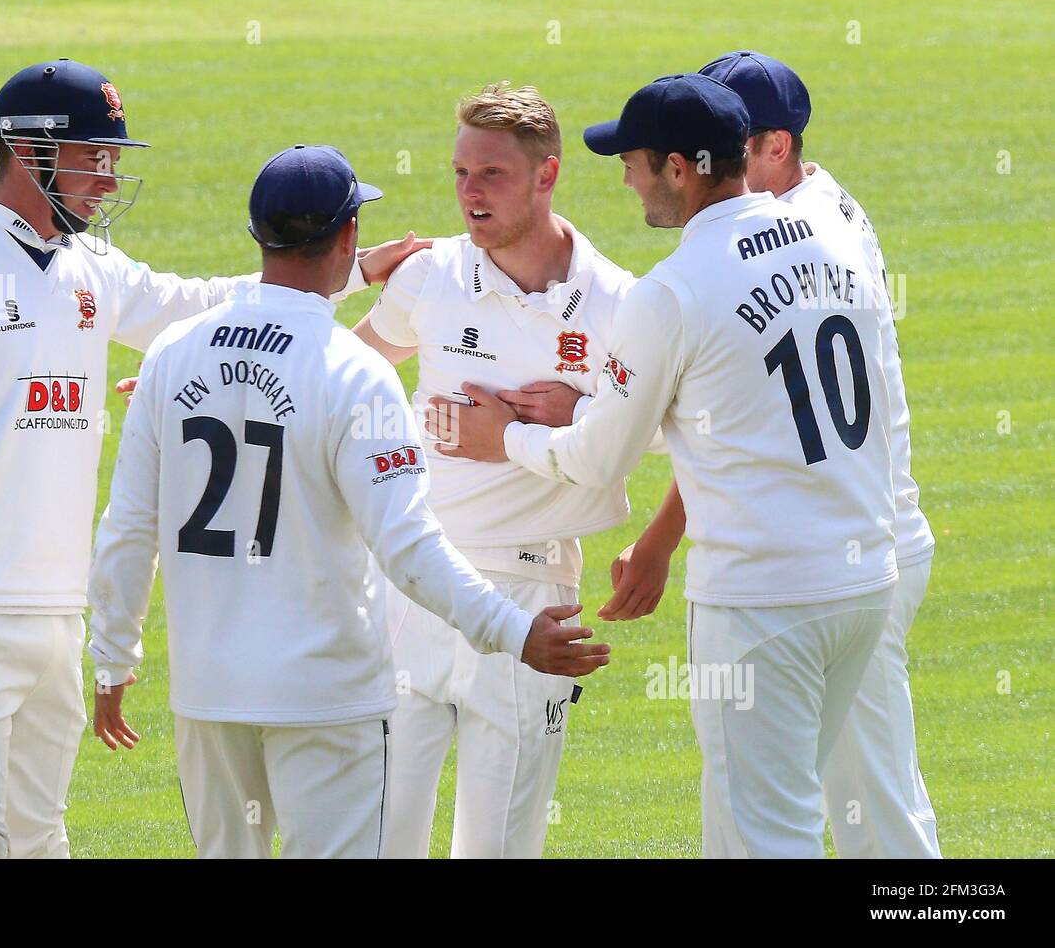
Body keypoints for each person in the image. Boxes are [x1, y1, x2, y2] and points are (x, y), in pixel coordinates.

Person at [0, 59, 425, 859]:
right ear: (27, 150)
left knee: (39, 839)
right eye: (94, 156)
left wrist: (347, 267)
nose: (109, 181)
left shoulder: (89, 269)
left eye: (114, 160)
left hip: (55, 611)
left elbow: (198, 304)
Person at [85, 144, 609, 859]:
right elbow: (409, 548)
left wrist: (112, 659)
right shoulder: (353, 372)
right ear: (348, 237)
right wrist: (515, 632)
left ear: (257, 234)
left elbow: (126, 531)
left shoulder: (174, 355)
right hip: (323, 699)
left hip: (208, 695)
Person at [435, 74, 901, 858]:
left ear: (680, 169)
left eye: (635, 160)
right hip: (865, 582)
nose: (622, 176)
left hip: (765, 600)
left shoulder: (672, 290)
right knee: (801, 813)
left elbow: (597, 459)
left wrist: (502, 438)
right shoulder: (833, 236)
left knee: (760, 838)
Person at [351, 83, 636, 858]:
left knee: (500, 847)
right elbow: (344, 368)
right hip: (413, 583)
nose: (469, 195)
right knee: (376, 838)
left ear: (546, 175)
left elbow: (672, 430)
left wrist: (571, 417)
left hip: (532, 589)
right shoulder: (430, 275)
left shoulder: (617, 304)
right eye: (459, 174)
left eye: (492, 175)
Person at [696, 49, 940, 858]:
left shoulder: (809, 232)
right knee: (852, 799)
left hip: (856, 549)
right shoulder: (807, 215)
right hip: (854, 538)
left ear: (773, 145)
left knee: (873, 809)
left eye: (724, 137)